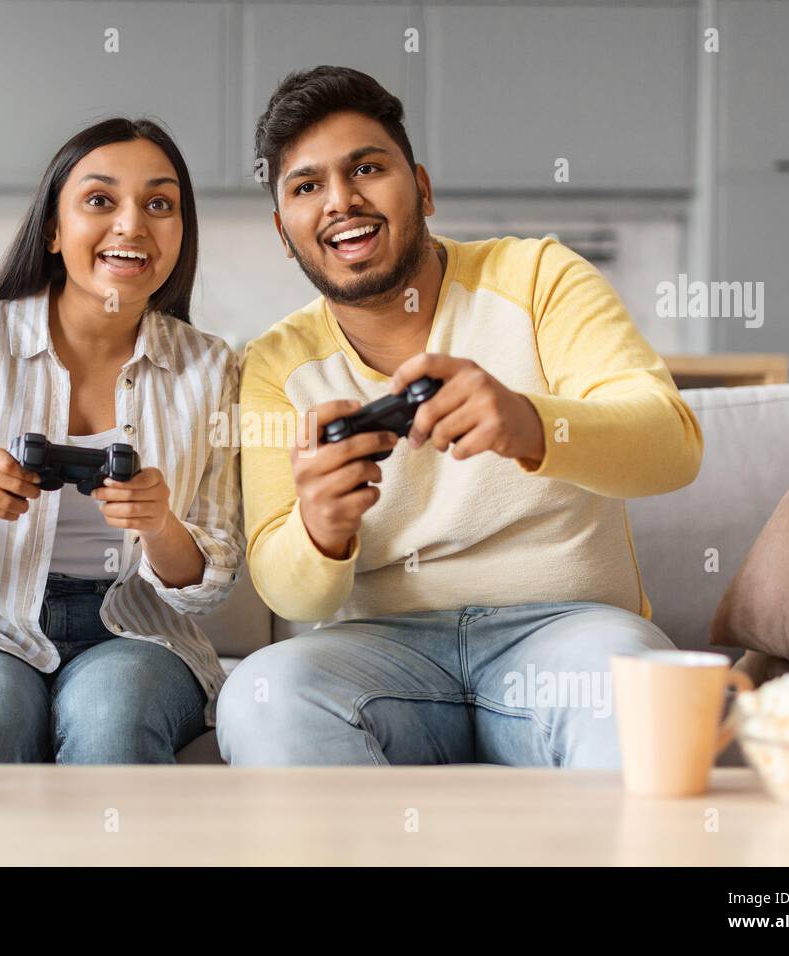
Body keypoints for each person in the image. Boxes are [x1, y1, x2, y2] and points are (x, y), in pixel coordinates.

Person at [217, 67, 703, 767]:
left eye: (367, 168)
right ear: (283, 231)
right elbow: (284, 585)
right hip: (380, 654)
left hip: (568, 634)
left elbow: (673, 446)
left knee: (633, 697)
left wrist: (530, 423)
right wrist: (320, 530)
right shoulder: (273, 364)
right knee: (263, 696)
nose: (341, 202)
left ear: (422, 188)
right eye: (306, 186)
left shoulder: (540, 278)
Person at [0, 118, 243, 764]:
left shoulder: (211, 370)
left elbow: (211, 582)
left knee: (114, 717)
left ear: (182, 231)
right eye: (100, 200)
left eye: (160, 204)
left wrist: (159, 525)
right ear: (52, 228)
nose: (132, 224)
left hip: (137, 633)